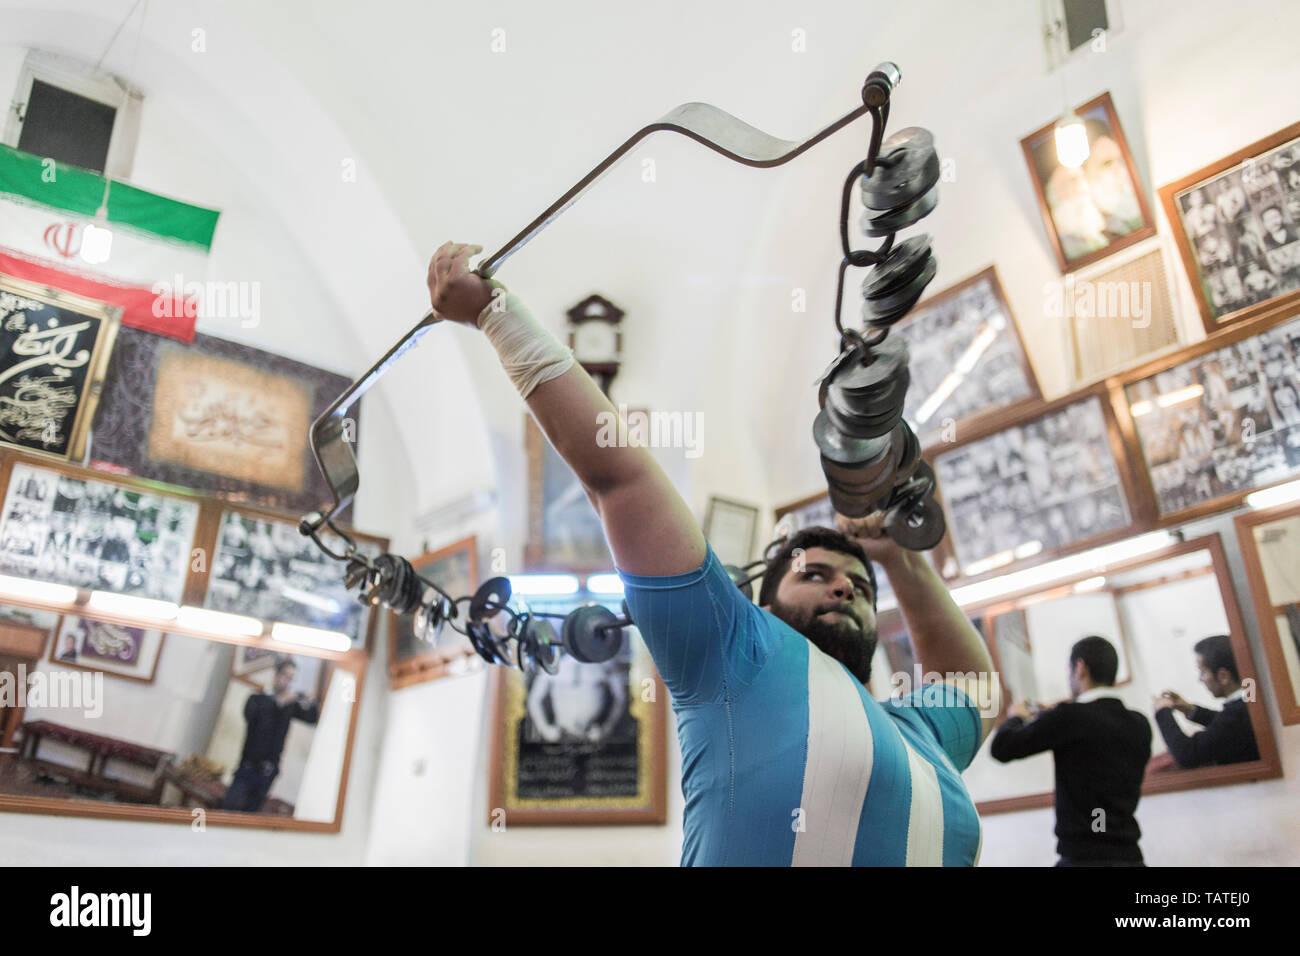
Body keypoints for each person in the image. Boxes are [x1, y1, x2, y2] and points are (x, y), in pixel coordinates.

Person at [426, 242, 998, 866]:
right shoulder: (737, 654)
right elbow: (620, 478)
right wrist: (494, 314)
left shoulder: (921, 732)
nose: (845, 588)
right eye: (816, 574)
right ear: (763, 604)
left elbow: (978, 693)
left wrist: (900, 559)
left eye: (860, 586)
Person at [989, 636, 1151, 866]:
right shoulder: (1139, 724)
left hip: (1085, 859)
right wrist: (1054, 717)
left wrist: (1016, 717)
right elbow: (1097, 739)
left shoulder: (1070, 717)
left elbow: (1002, 748)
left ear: (1080, 667)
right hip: (1130, 857)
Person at [220, 657, 319, 812]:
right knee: (228, 810)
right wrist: (278, 703)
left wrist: (309, 700)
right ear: (276, 675)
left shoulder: (290, 705)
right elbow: (252, 716)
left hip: (268, 771)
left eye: (291, 678)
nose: (287, 681)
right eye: (285, 676)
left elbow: (312, 718)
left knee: (250, 818)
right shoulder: (257, 699)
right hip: (247, 767)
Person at [1154, 635, 1259, 768]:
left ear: (1223, 676)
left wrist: (1162, 712)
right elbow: (1222, 725)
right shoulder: (1250, 701)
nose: (1200, 679)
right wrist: (1189, 710)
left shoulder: (1236, 715)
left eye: (1203, 673)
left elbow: (1187, 754)